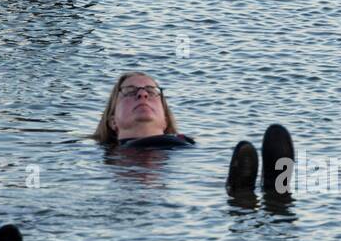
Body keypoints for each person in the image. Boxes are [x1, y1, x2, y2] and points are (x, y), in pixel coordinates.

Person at [94, 72, 296, 195]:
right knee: (236, 185)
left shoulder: (186, 143)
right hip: (188, 182)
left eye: (151, 91)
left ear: (165, 118)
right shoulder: (106, 156)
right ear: (113, 121)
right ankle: (241, 193)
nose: (142, 94)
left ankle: (275, 187)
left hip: (189, 162)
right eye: (130, 91)